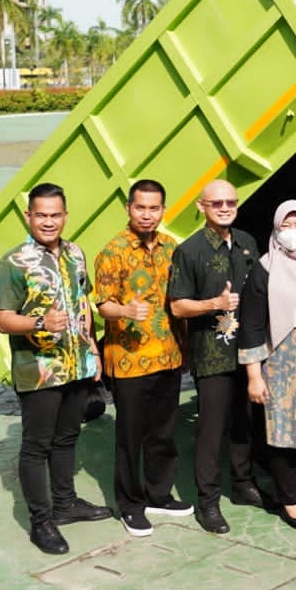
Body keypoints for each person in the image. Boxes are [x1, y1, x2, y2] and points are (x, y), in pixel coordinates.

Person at [0, 182, 111, 554]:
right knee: (36, 446)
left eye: (54, 215)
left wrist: (92, 351)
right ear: (28, 216)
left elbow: (82, 305)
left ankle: (65, 504)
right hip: (39, 370)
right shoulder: (13, 263)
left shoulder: (75, 254)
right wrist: (40, 323)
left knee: (67, 438)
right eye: (40, 215)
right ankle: (41, 521)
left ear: (65, 216)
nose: (48, 222)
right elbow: (3, 320)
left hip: (76, 366)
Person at [94, 179, 188, 538]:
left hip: (167, 356)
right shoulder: (113, 251)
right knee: (130, 436)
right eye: (140, 208)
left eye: (154, 208)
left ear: (163, 210)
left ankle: (159, 495)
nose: (147, 215)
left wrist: (185, 349)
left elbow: (177, 303)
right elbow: (102, 304)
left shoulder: (171, 248)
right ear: (129, 208)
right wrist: (125, 311)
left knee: (163, 432)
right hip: (129, 360)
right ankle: (130, 505)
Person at [167, 179, 263, 535]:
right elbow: (178, 306)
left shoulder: (247, 243)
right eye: (217, 203)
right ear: (201, 206)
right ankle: (208, 501)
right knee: (211, 429)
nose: (224, 207)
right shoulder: (190, 251)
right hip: (212, 354)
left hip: (248, 350)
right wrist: (215, 304)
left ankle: (243, 483)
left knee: (245, 422)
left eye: (230, 202)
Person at [238, 200, 296, 532]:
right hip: (282, 360)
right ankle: (290, 500)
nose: (292, 234)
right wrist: (253, 375)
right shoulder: (265, 268)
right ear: (275, 230)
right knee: (286, 431)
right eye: (285, 227)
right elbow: (250, 324)